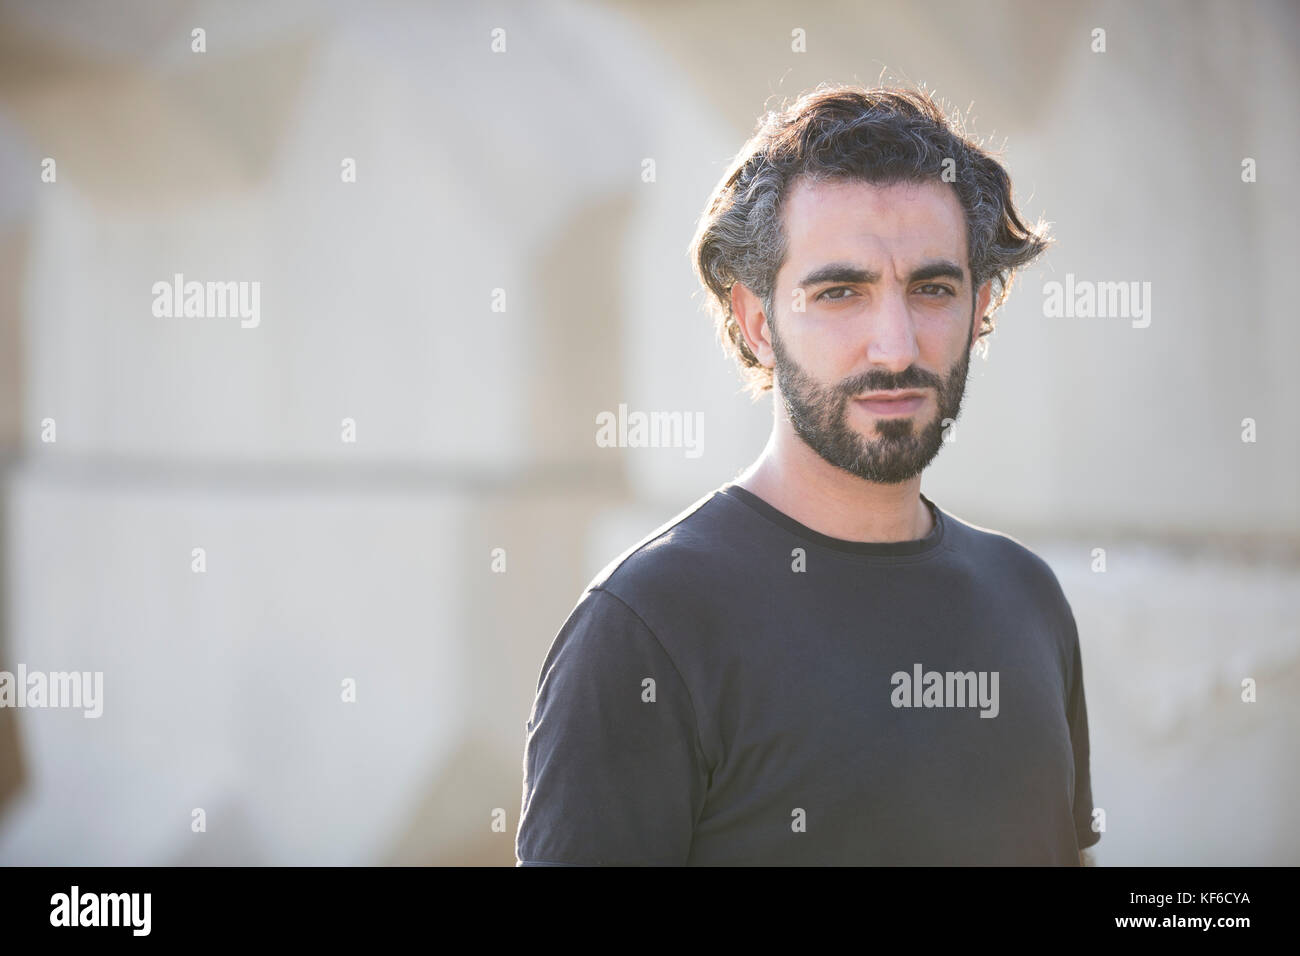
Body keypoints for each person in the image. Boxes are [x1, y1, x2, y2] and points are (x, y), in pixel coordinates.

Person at [515, 84, 1098, 865]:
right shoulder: (647, 630)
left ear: (979, 306)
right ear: (758, 322)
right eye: (840, 293)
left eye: (931, 289)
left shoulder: (1028, 597)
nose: (895, 348)